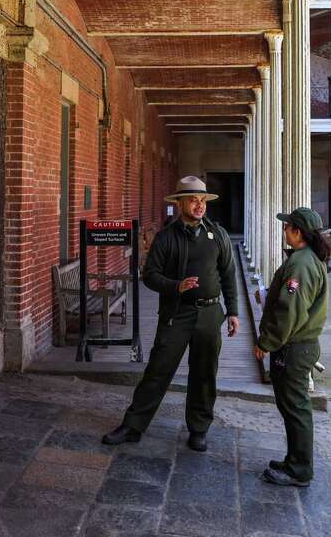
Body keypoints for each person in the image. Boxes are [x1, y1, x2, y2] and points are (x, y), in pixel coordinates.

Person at [102, 176, 241, 452]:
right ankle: (133, 426)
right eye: (193, 200)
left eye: (202, 200)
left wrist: (233, 311)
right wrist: (176, 286)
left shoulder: (219, 235)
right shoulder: (166, 238)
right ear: (180, 203)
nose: (199, 205)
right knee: (158, 370)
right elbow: (150, 276)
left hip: (210, 314)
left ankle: (199, 429)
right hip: (176, 315)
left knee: (204, 374)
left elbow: (228, 274)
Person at [255, 206, 330, 487]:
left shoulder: (301, 263)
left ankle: (299, 470)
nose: (284, 230)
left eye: (287, 227)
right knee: (291, 406)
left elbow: (290, 310)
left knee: (296, 408)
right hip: (299, 345)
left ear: (297, 232)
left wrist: (266, 342)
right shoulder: (306, 258)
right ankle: (294, 460)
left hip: (294, 347)